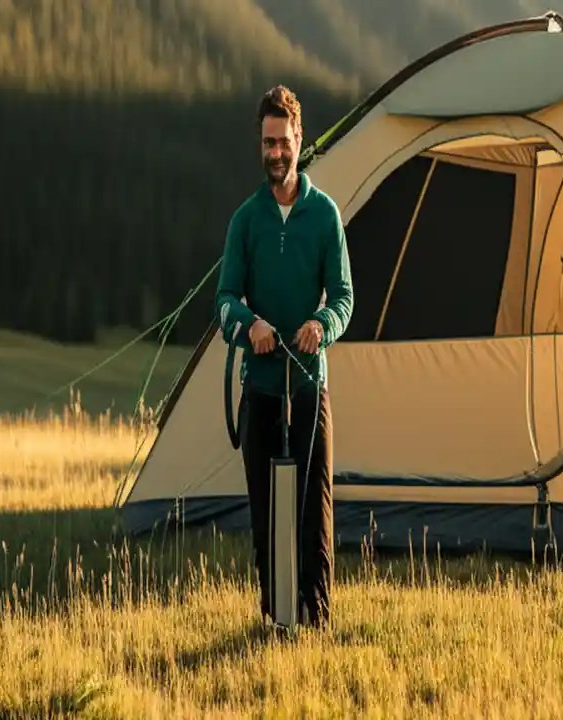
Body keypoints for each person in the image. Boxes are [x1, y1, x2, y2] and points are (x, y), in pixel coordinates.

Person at [214, 85, 353, 629]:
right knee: (267, 513)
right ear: (261, 144)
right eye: (268, 142)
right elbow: (222, 301)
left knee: (313, 510)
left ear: (300, 140)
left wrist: (322, 323)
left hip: (310, 385)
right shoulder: (245, 221)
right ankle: (275, 619)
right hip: (262, 389)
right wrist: (251, 326)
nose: (276, 152)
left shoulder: (325, 216)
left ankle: (315, 621)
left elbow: (344, 297)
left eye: (284, 141)